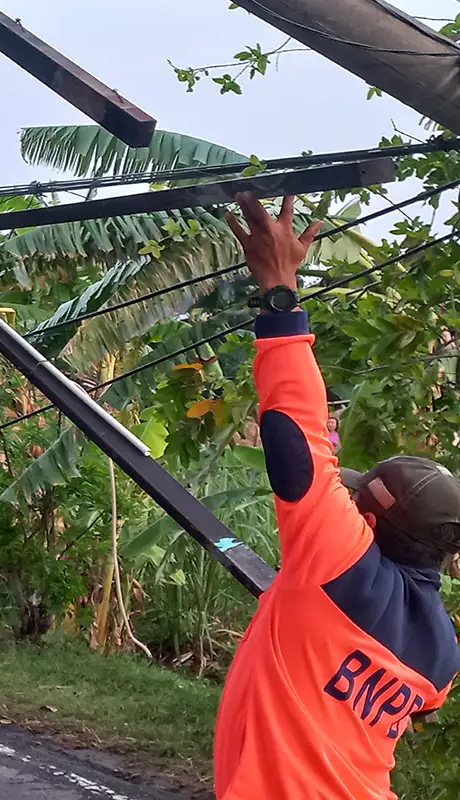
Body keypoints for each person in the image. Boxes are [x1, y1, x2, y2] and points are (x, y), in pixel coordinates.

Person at [214, 193, 460, 799]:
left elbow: (294, 436)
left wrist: (279, 287)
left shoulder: (337, 558)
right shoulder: (443, 659)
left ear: (369, 526)